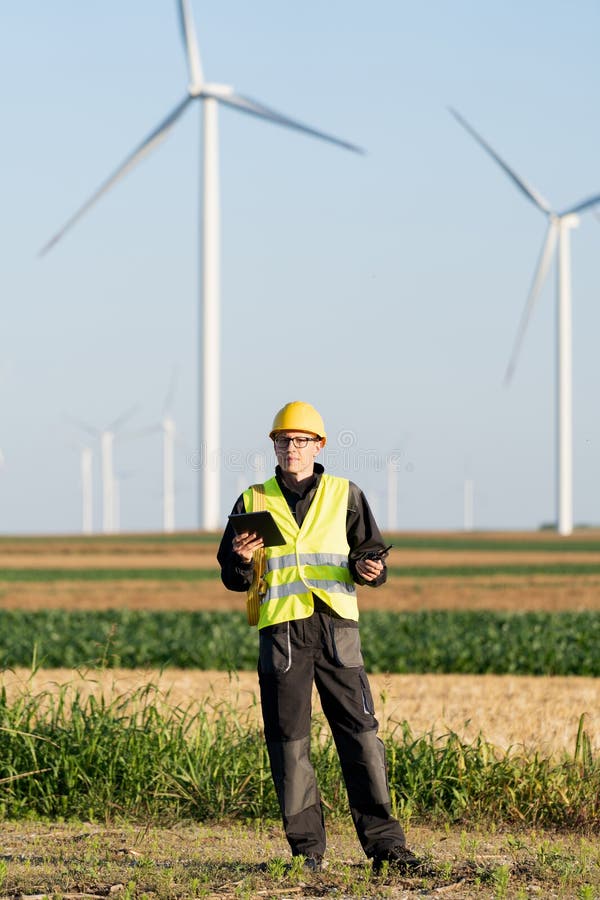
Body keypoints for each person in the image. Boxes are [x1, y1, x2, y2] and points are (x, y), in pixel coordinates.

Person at [217, 401, 423, 874]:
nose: (292, 448)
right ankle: (307, 854)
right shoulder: (252, 500)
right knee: (290, 744)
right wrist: (243, 560)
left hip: (337, 630)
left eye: (301, 440)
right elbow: (231, 576)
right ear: (273, 445)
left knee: (361, 737)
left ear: (319, 446)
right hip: (283, 633)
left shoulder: (346, 494)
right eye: (283, 441)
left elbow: (369, 556)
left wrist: (370, 569)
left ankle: (387, 849)